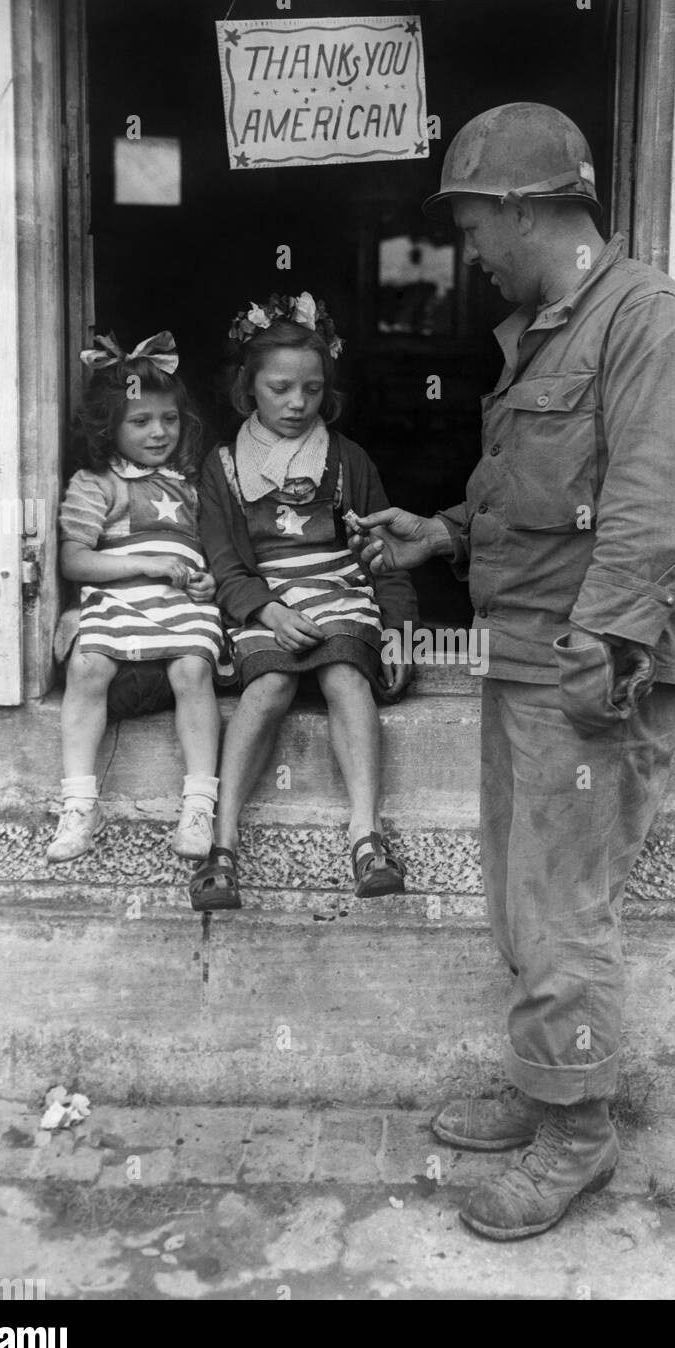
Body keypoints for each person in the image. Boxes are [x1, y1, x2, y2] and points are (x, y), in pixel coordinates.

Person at [348, 104, 675, 1240]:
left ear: (526, 209)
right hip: (526, 651)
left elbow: (660, 515)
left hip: (586, 668)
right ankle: (541, 1091)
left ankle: (576, 1136)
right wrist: (444, 532)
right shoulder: (545, 331)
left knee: (562, 908)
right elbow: (542, 490)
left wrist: (601, 654)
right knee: (522, 900)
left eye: (473, 226)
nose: (468, 252)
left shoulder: (648, 323)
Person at [188, 293, 418, 910]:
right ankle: (224, 845)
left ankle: (366, 837)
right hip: (265, 598)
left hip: (339, 589)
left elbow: (385, 553)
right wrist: (266, 611)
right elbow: (225, 562)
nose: (297, 404)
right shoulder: (225, 467)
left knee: (346, 676)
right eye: (281, 388)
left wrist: (398, 628)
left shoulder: (346, 460)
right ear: (248, 387)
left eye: (312, 391)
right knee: (267, 689)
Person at [47, 332, 223, 864]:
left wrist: (209, 580)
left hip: (180, 604)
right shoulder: (96, 483)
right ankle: (79, 802)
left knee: (192, 670)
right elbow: (74, 560)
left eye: (168, 419)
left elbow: (216, 551)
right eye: (140, 421)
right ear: (109, 427)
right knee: (88, 665)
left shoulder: (193, 482)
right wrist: (144, 564)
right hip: (118, 596)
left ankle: (199, 804)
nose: (158, 432)